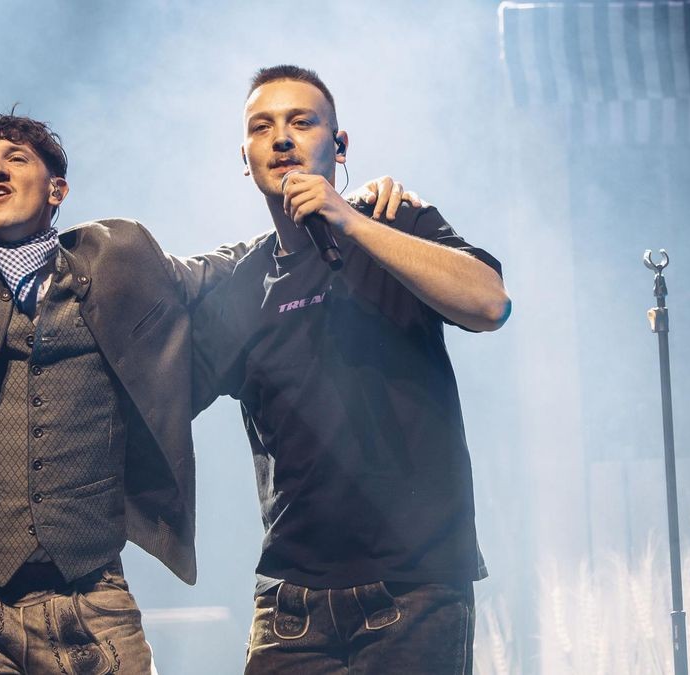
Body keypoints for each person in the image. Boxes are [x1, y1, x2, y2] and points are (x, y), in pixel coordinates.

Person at [0, 112, 411, 674]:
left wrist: (346, 212)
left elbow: (231, 267)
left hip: (92, 603)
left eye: (16, 158)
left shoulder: (117, 258)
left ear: (58, 189)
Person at [191, 65, 511, 673]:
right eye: (262, 127)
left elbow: (490, 304)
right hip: (289, 601)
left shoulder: (396, 221)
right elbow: (167, 397)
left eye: (301, 121)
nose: (281, 138)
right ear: (245, 158)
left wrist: (351, 220)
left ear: (339, 145)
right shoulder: (242, 282)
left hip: (414, 589)